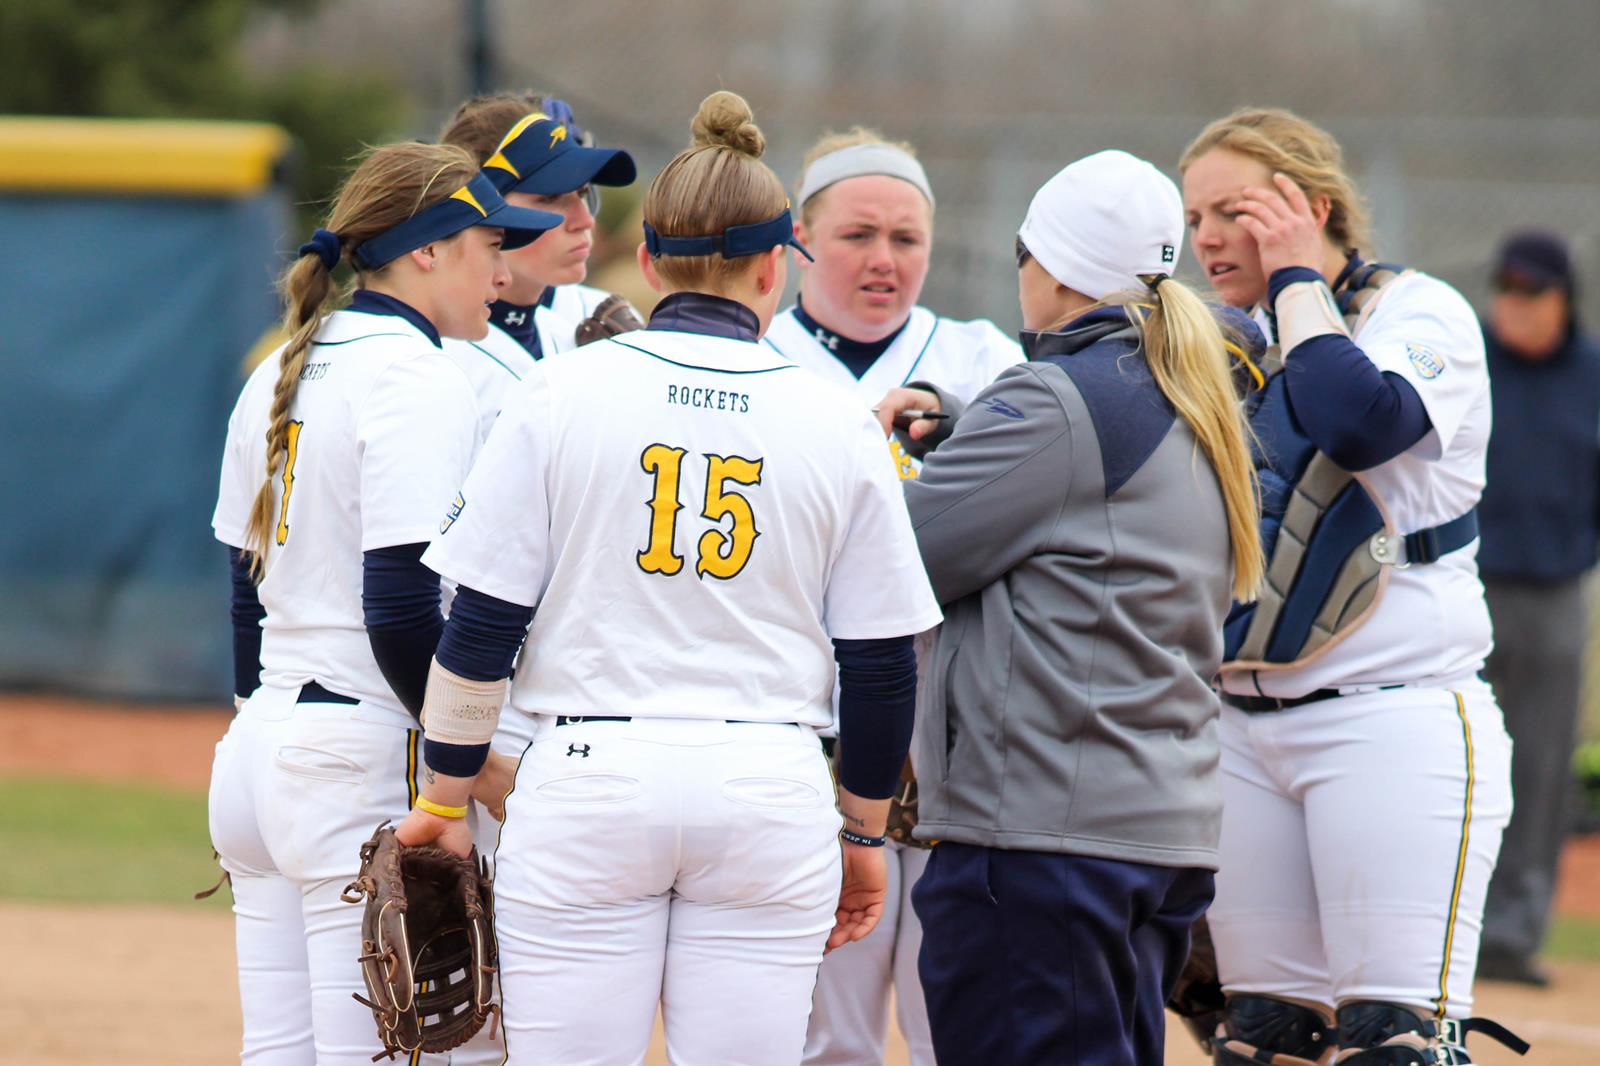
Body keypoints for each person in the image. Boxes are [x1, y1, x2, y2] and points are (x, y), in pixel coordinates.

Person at [391, 91, 943, 1066]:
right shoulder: (833, 419)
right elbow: (881, 662)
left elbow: (479, 627)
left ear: (646, 263)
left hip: (590, 778)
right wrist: (861, 833)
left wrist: (443, 797)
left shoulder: (565, 389)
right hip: (767, 785)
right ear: (778, 265)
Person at [875, 149, 1264, 1066]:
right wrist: (975, 423)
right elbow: (1088, 485)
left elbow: (898, 561)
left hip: (1043, 840)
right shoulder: (1186, 381)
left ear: (1049, 266)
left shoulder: (1056, 399)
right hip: (1148, 830)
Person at [1179, 107, 1523, 1063]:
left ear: (1308, 205)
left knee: (1392, 1042)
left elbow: (1358, 421)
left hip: (1392, 716)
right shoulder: (1214, 338)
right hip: (1240, 728)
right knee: (1262, 1038)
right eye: (1194, 214)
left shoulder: (1423, 312)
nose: (1205, 236)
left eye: (1232, 210)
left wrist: (1298, 276)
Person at [207, 142, 560, 1062]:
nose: (505, 265)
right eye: (491, 240)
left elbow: (244, 594)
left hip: (259, 750)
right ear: (429, 249)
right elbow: (401, 606)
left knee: (280, 1048)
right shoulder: (413, 375)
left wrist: (268, 736)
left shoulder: (284, 361)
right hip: (360, 756)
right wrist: (469, 761)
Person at [768, 127, 1022, 1066]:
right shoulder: (757, 360)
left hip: (953, 718)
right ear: (799, 237)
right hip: (805, 714)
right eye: (858, 234)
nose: (884, 259)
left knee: (949, 1015)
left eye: (906, 239)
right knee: (824, 1025)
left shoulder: (980, 359)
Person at [1477, 231, 1600, 987]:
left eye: (1532, 294)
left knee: (1541, 764)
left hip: (1555, 591)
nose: (1515, 307)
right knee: (1451, 759)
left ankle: (1512, 933)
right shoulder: (1468, 362)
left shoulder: (1591, 375)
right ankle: (1440, 925)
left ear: (1563, 299)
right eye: (1507, 291)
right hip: (1466, 586)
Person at [440, 91, 638, 382]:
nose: (584, 221)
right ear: (480, 208)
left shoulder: (602, 320)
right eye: (550, 198)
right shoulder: (427, 353)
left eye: (582, 194)